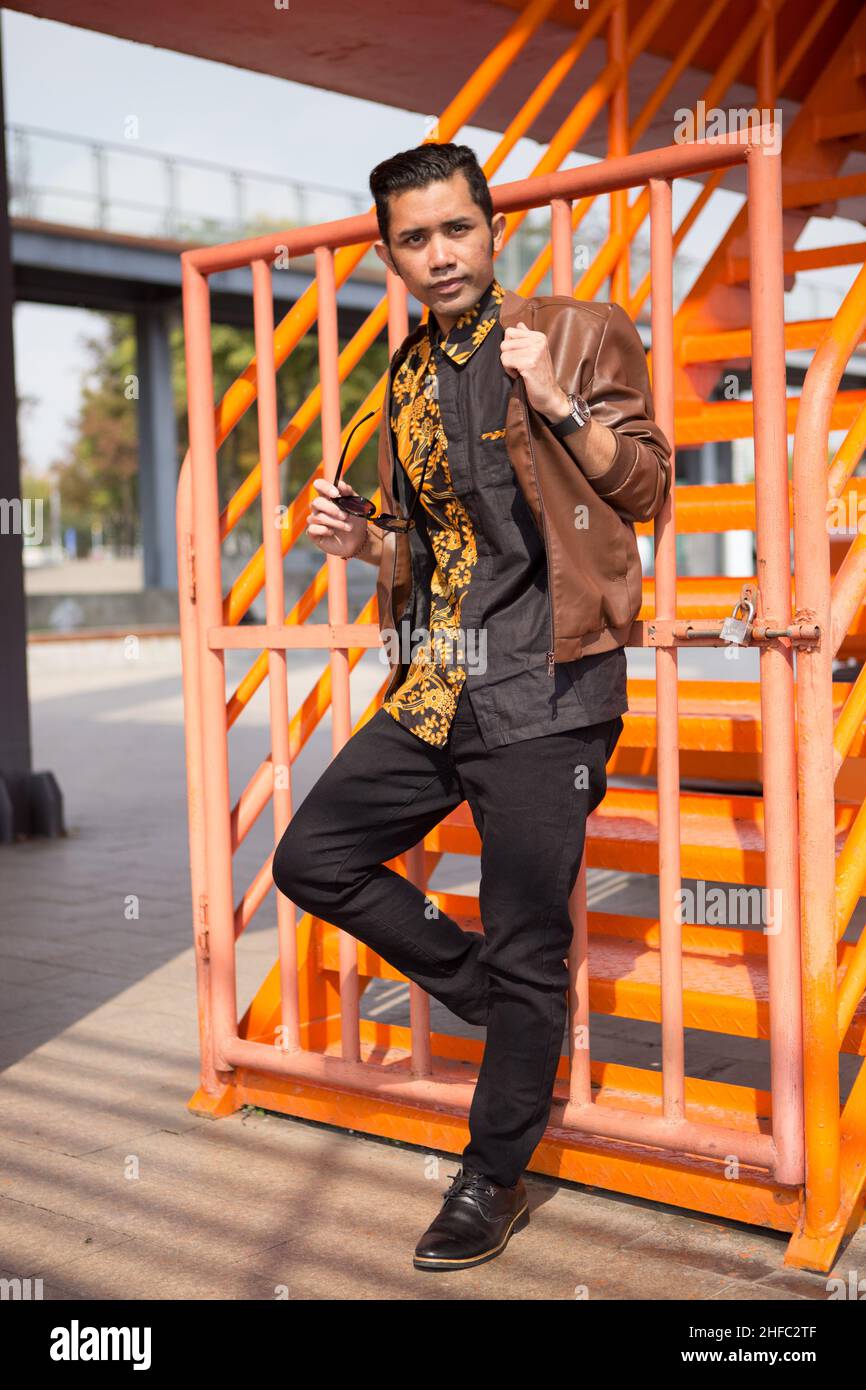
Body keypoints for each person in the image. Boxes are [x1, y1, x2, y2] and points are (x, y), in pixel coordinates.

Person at [272, 142, 672, 1273]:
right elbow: (441, 547)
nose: (439, 254)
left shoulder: (578, 332)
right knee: (312, 857)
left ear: (492, 231)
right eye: (414, 238)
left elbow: (647, 488)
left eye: (457, 228)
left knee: (532, 936)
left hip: (548, 686)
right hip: (437, 677)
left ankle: (491, 1176)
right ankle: (489, 991)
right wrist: (366, 546)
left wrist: (557, 402)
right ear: (390, 255)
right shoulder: (401, 378)